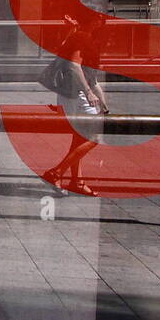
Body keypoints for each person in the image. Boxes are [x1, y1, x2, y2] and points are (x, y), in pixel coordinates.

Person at [45, 13, 109, 196]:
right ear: (94, 21)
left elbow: (91, 77)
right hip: (79, 94)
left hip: (72, 93)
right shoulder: (82, 37)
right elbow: (74, 66)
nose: (103, 20)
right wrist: (89, 93)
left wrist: (103, 103)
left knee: (79, 137)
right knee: (94, 137)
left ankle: (77, 181)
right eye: (100, 17)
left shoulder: (78, 36)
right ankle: (56, 172)